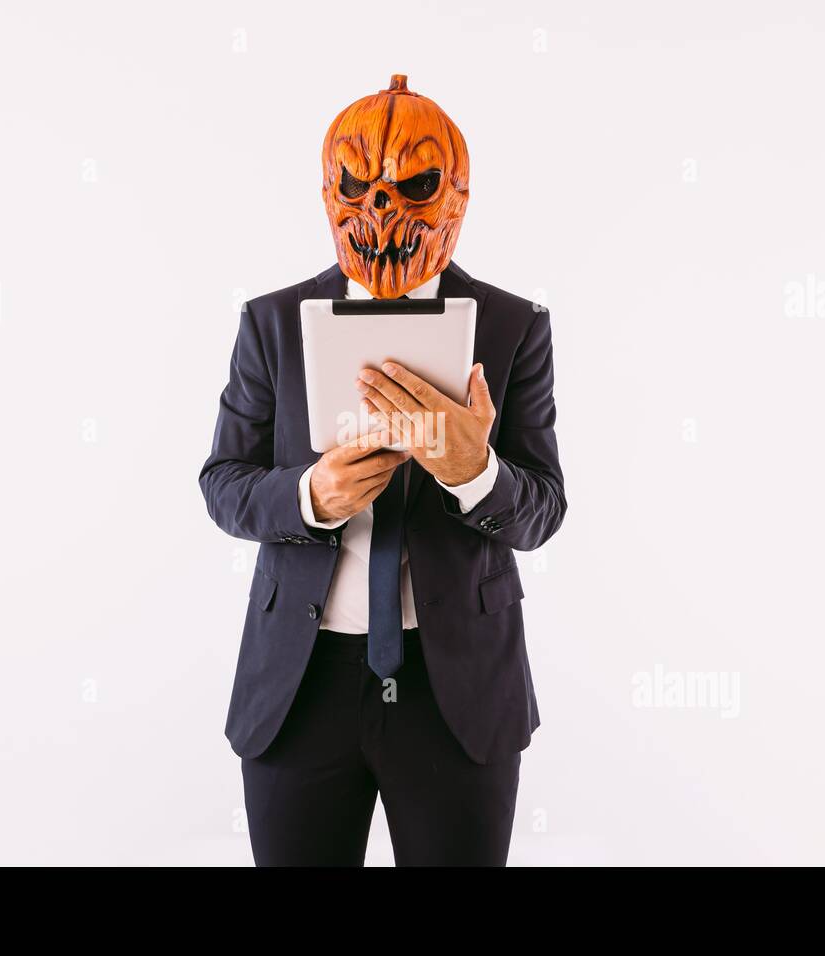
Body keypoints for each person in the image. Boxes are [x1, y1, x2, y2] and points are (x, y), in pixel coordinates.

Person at [200, 75, 566, 866]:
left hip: (456, 685)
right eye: (357, 188)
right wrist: (309, 495)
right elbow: (222, 483)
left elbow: (543, 510)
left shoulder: (513, 327)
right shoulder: (270, 322)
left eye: (415, 187)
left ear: (458, 195)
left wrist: (476, 473)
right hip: (300, 686)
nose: (382, 212)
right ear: (326, 192)